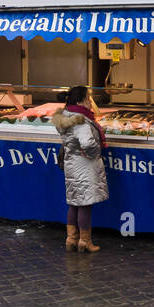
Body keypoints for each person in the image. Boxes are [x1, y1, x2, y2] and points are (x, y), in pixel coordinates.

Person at [51, 85, 109, 253]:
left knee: (74, 203)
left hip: (71, 163)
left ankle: (71, 239)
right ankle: (85, 241)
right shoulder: (80, 120)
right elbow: (88, 143)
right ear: (80, 101)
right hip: (85, 165)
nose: (90, 103)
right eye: (88, 99)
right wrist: (95, 153)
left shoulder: (66, 116)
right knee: (85, 204)